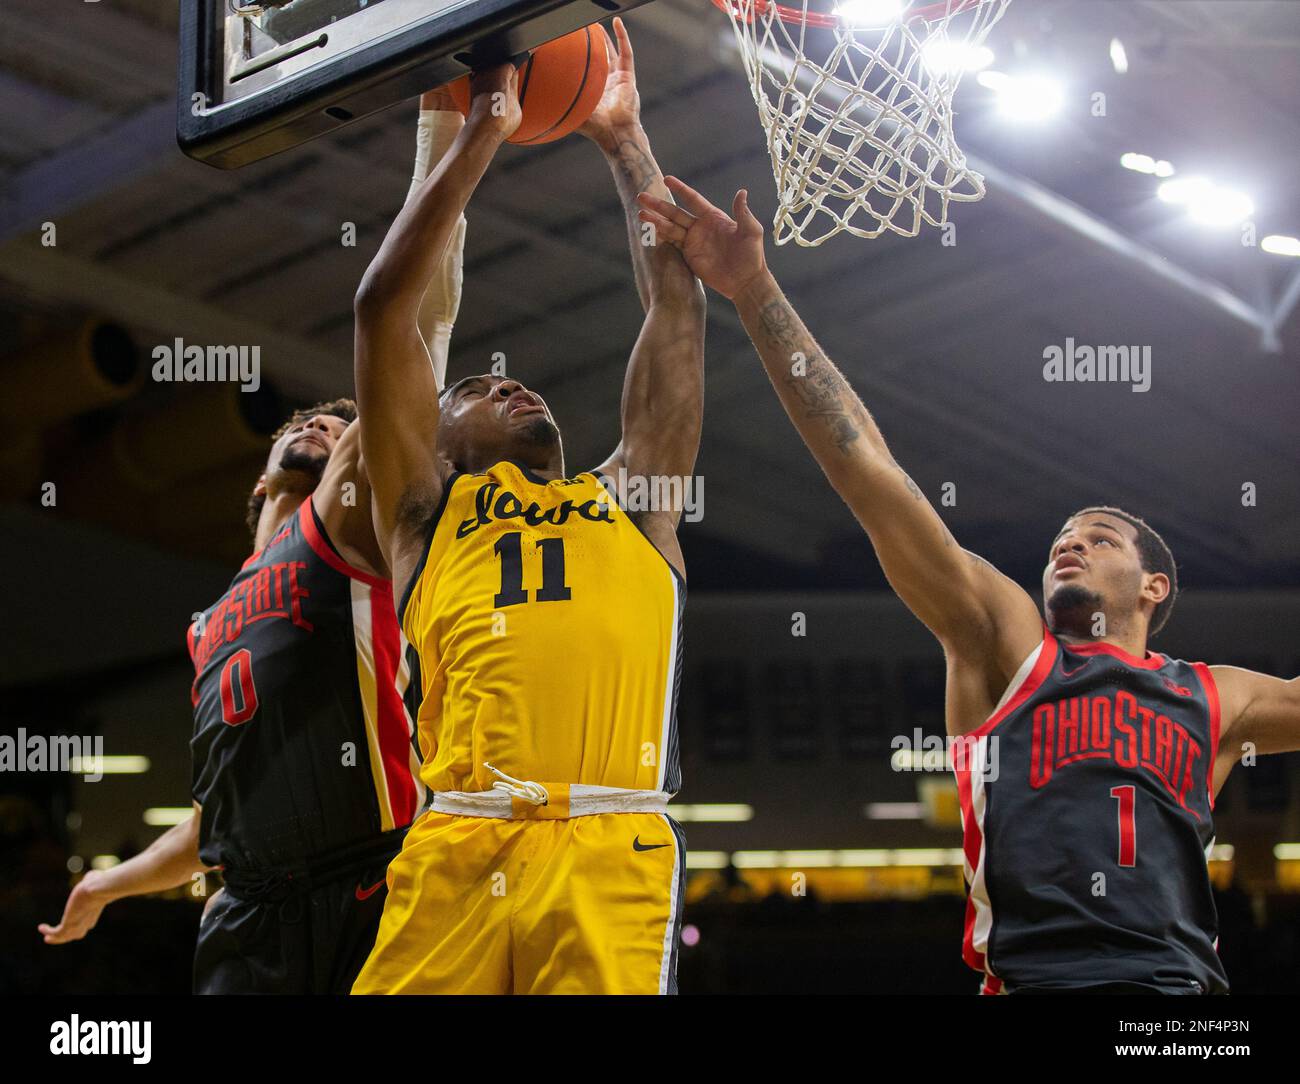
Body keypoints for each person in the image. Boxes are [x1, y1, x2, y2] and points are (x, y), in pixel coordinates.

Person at [635, 173, 1300, 995]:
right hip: (1034, 981)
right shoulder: (1007, 644)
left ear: (1155, 586)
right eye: (1062, 537)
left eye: (1098, 538)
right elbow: (866, 470)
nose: (1069, 546)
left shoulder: (1217, 697)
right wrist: (752, 286)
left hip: (1180, 1001)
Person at [40, 93, 470, 994]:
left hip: (370, 878)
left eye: (342, 421)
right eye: (311, 415)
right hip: (243, 912)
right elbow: (214, 818)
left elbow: (412, 327)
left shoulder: (346, 524)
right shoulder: (210, 624)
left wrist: (449, 123)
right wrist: (111, 883)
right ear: (256, 484)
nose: (327, 417)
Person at [350, 19, 706, 994]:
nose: (512, 386)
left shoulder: (632, 500)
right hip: (457, 840)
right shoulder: (423, 513)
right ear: (436, 428)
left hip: (607, 839)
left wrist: (623, 134)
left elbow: (675, 311)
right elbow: (385, 307)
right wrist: (480, 135)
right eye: (478, 386)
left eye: (518, 386)